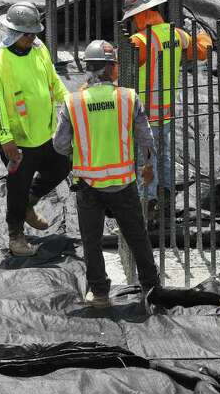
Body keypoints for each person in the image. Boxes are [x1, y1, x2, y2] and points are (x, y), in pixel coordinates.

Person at [53, 40, 159, 310]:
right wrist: (148, 167)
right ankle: (152, 290)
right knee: (137, 237)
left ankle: (100, 293)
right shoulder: (128, 98)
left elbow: (60, 144)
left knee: (91, 241)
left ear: (88, 69)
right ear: (111, 68)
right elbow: (146, 139)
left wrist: (81, 151)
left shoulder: (73, 102)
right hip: (123, 183)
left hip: (88, 185)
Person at [0, 1, 71, 257]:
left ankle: (28, 204)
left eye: (34, 33)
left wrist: (70, 104)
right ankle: (16, 236)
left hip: (46, 133)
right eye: (27, 34)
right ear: (13, 32)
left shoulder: (39, 49)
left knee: (61, 167)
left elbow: (53, 80)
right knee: (17, 187)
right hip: (19, 140)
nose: (32, 38)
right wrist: (5, 138)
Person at [121, 0, 212, 221]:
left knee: (145, 160)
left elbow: (117, 74)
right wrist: (201, 33)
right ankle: (167, 199)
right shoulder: (178, 35)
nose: (132, 22)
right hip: (166, 112)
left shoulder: (138, 41)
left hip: (142, 114)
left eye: (133, 17)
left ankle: (147, 206)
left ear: (140, 15)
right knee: (164, 156)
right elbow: (202, 50)